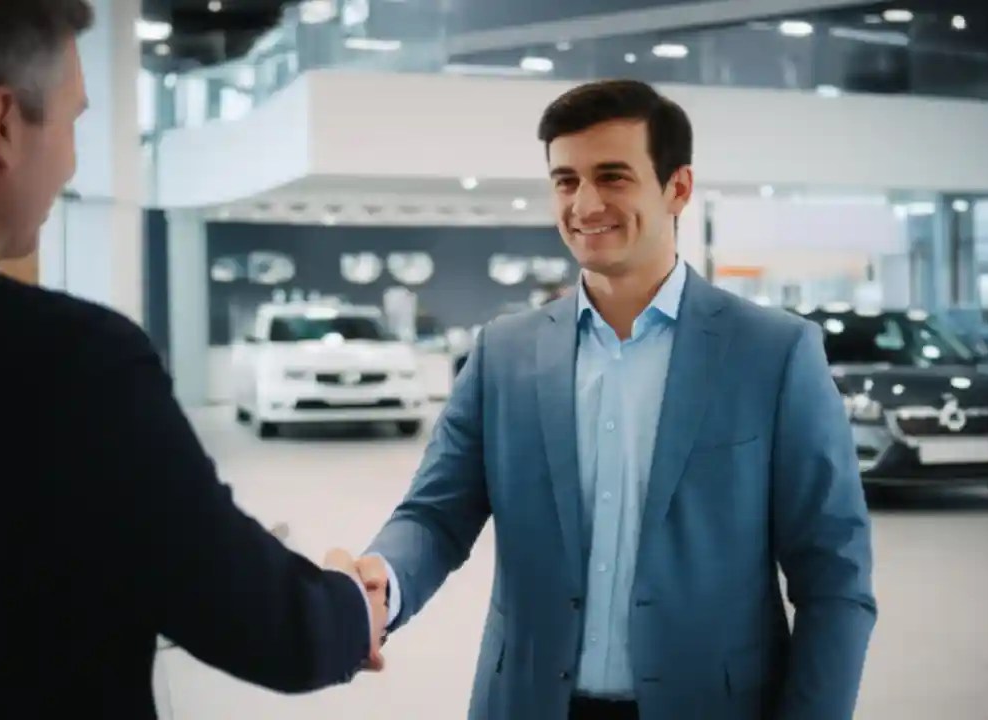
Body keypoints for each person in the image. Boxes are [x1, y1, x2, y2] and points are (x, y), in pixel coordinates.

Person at [0, 2, 383, 716]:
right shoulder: (69, 363)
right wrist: (351, 600)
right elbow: (268, 626)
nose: (73, 159)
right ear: (4, 124)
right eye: (74, 122)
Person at [340, 79, 877, 719]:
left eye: (613, 176)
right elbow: (435, 514)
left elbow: (834, 578)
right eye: (565, 180)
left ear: (678, 187)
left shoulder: (775, 353)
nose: (585, 202)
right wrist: (382, 583)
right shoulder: (504, 352)